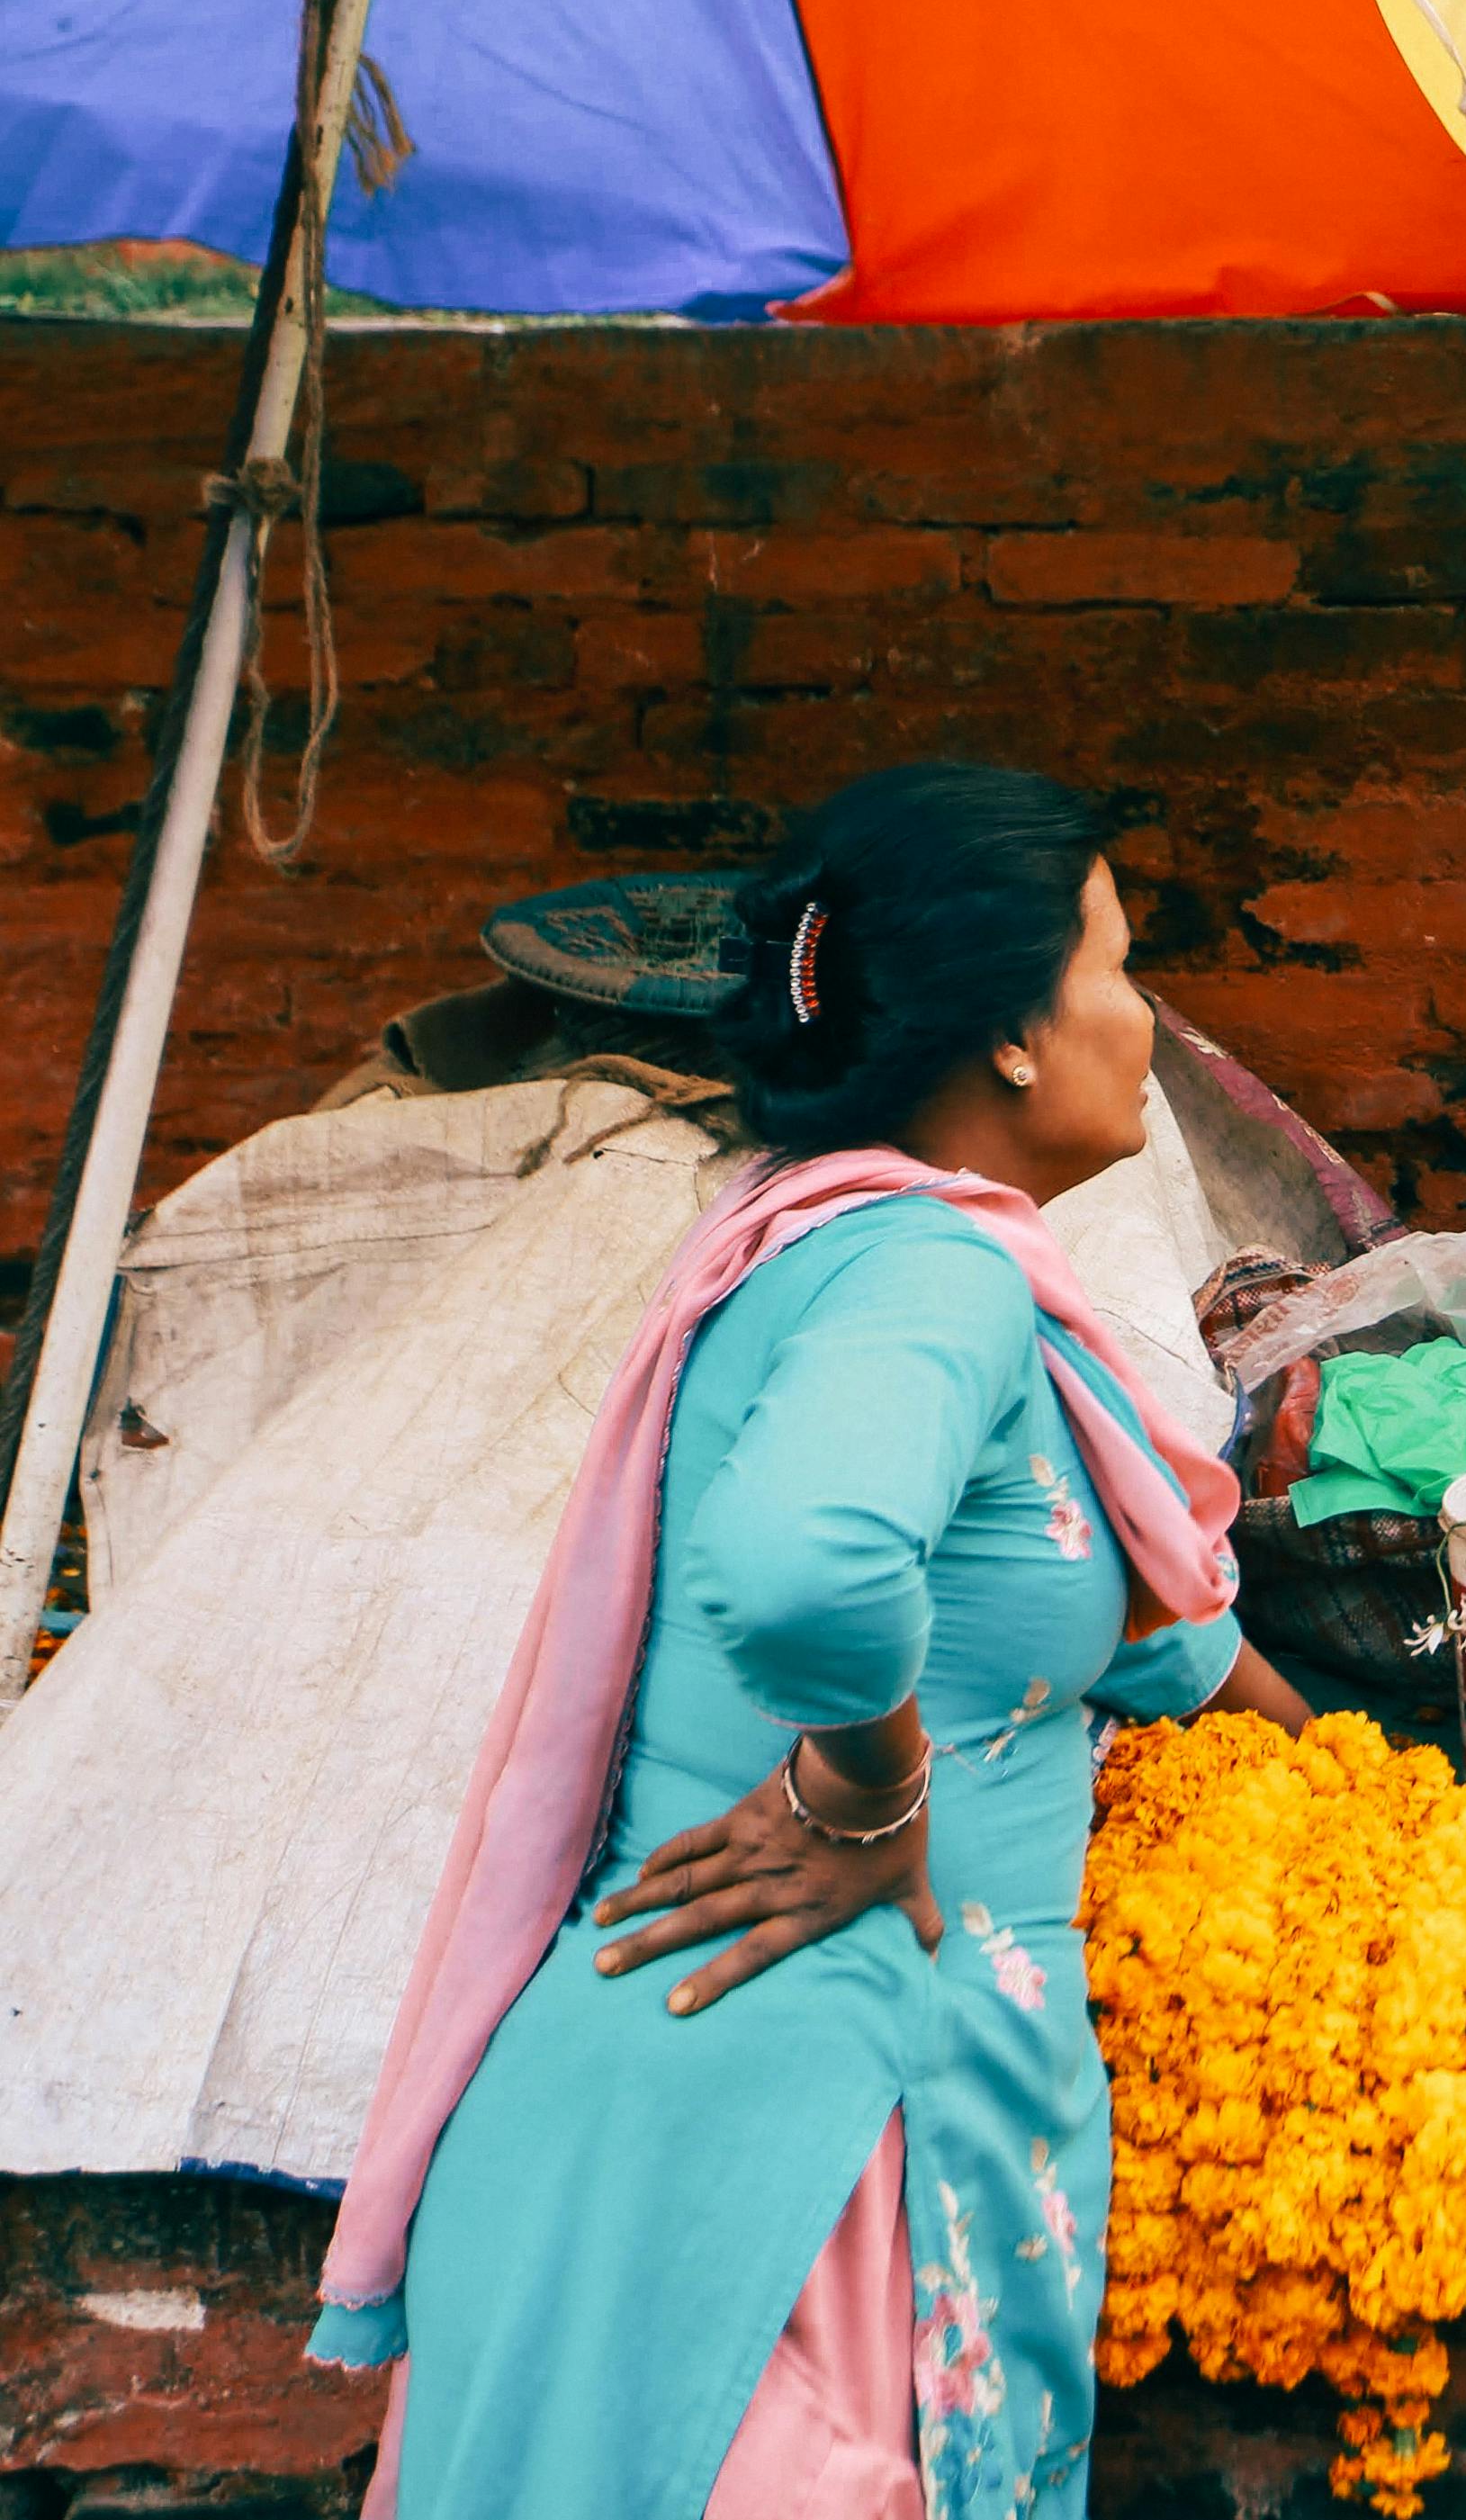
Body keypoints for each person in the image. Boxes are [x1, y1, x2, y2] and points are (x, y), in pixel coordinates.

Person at [310, 762, 1313, 2520]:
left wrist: (1370, 1788)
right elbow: (803, 1568)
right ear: (1013, 1032)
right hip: (799, 2173)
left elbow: (1136, 1631)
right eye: (1115, 965)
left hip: (642, 2111)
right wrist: (866, 1782)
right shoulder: (932, 1278)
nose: (1141, 1017)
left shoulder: (821, 1256)